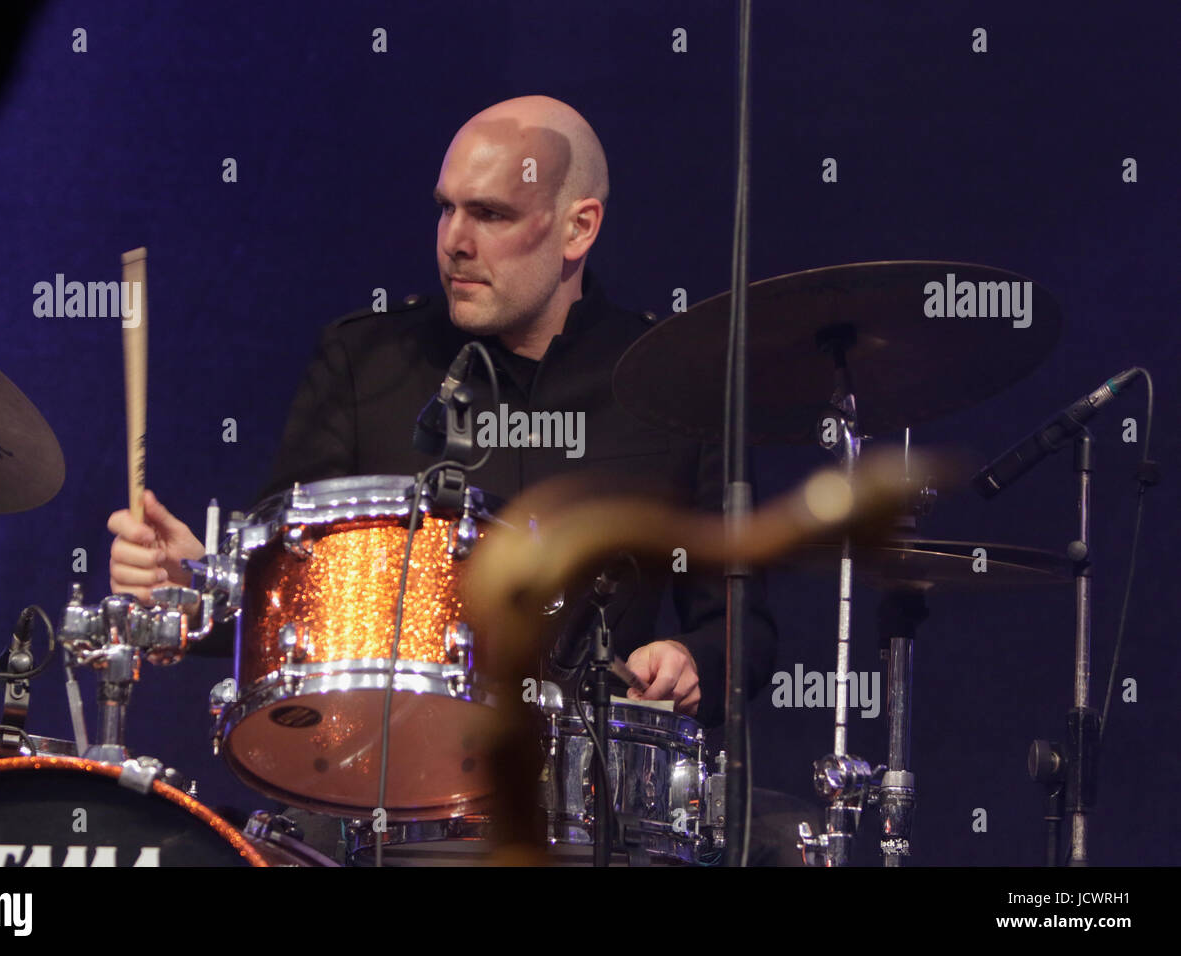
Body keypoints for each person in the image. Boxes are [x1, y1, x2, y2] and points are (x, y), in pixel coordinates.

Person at [108, 95, 777, 723]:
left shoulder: (676, 383)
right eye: (446, 208)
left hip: (587, 799)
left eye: (490, 214)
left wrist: (692, 660)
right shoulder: (363, 363)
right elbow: (289, 597)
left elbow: (741, 627)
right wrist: (195, 591)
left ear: (578, 228)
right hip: (380, 783)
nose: (455, 240)